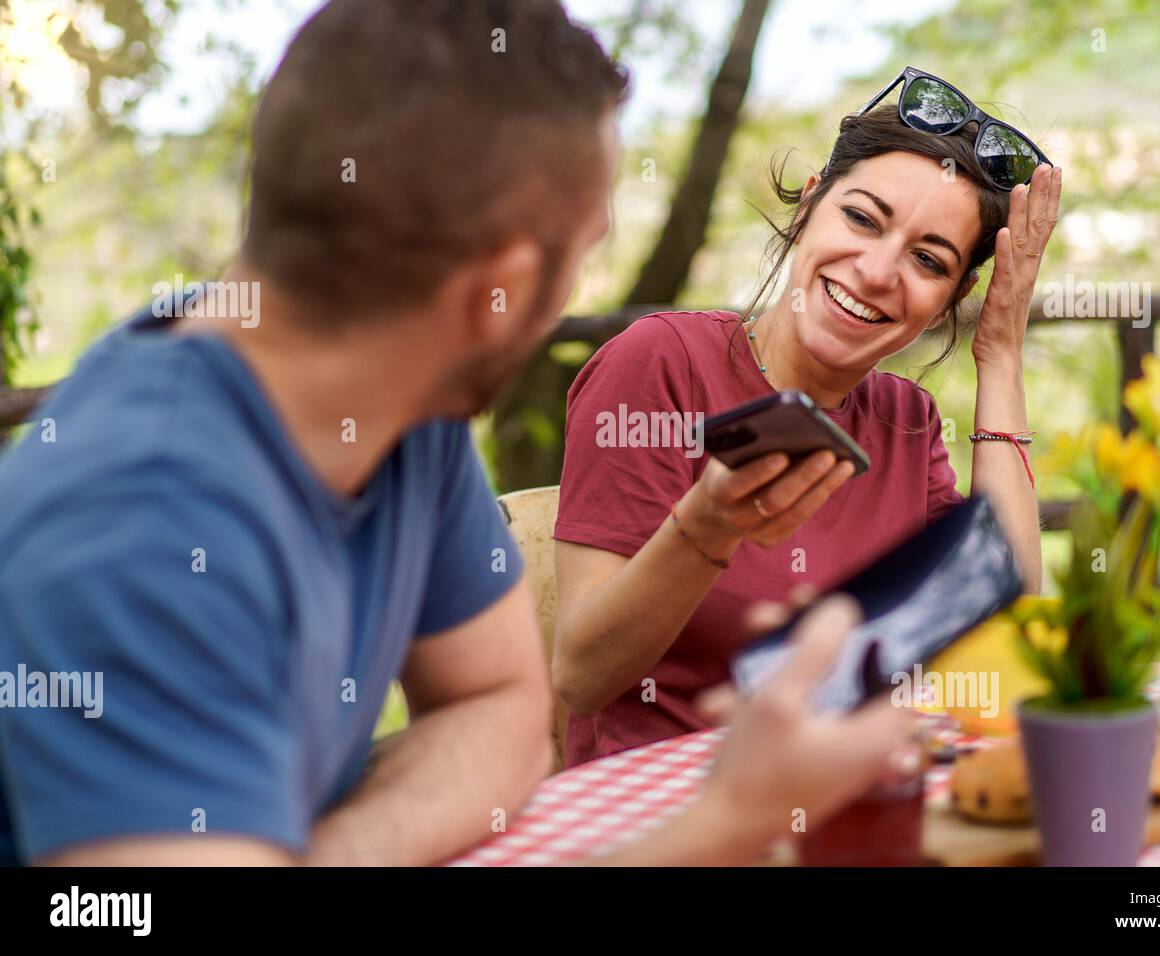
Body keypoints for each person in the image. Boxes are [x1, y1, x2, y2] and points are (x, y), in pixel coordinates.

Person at [0, 0, 908, 867]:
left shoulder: (402, 405)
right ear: (494, 292)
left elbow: (502, 711)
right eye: (583, 254)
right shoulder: (134, 531)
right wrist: (731, 821)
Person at [552, 76, 1063, 766]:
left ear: (952, 298)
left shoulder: (908, 421)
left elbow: (1005, 614)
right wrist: (709, 525)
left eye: (927, 260)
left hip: (838, 801)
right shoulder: (661, 365)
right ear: (810, 205)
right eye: (862, 218)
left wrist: (999, 353)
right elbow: (582, 678)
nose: (879, 270)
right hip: (666, 816)